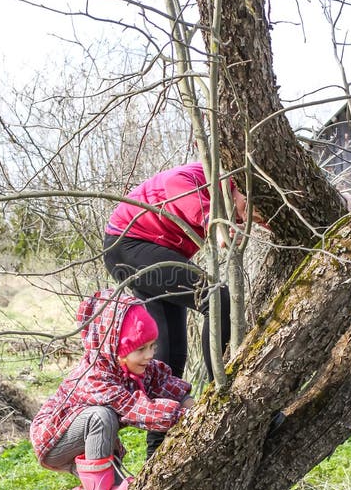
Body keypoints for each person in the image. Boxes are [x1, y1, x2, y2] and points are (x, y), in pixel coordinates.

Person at [103, 161, 249, 456]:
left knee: (170, 356)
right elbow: (183, 197)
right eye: (245, 208)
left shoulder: (227, 195)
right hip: (128, 245)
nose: (245, 217)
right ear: (234, 188)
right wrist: (215, 223)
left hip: (150, 251)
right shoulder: (196, 178)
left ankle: (157, 448)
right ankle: (223, 394)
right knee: (216, 298)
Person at [30, 288, 194, 490]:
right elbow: (134, 409)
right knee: (101, 416)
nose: (150, 355)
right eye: (141, 349)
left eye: (153, 346)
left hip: (94, 445)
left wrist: (189, 403)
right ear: (114, 347)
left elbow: (166, 383)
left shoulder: (140, 367)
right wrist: (180, 416)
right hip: (54, 439)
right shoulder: (95, 376)